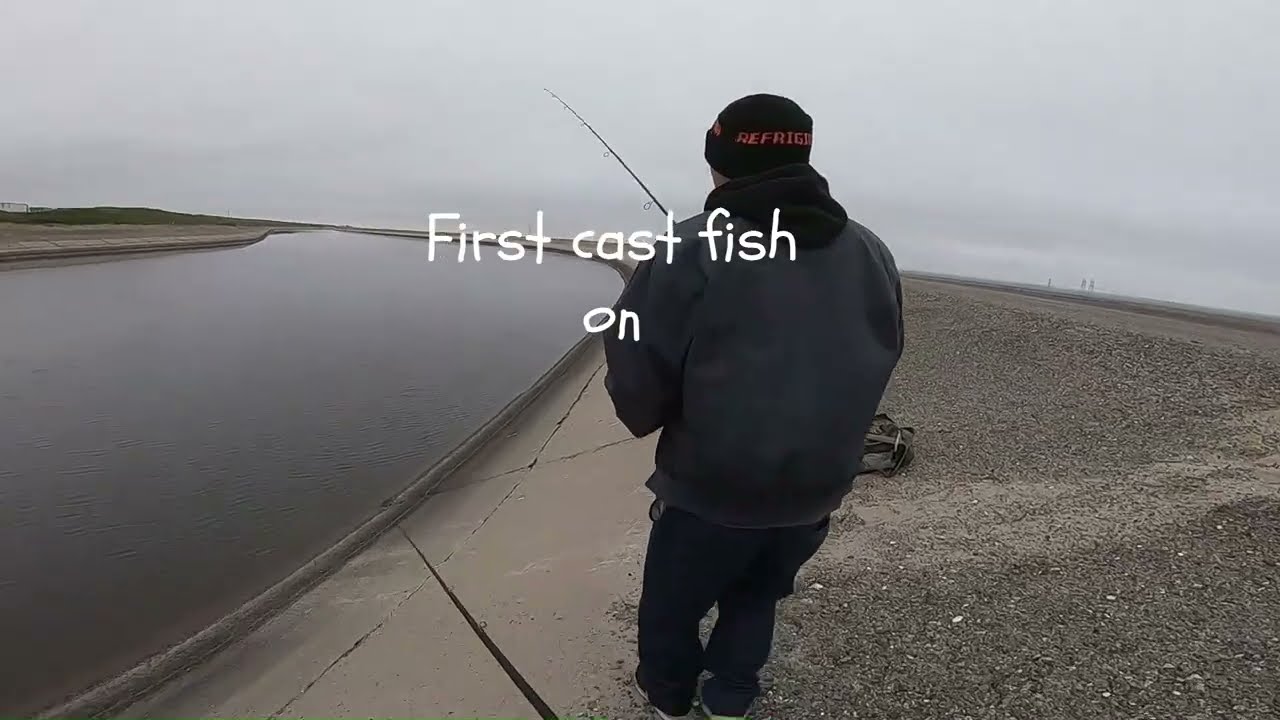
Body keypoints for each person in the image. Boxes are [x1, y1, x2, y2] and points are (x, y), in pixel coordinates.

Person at [601, 93, 905, 719]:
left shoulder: (690, 247)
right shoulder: (872, 251)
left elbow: (638, 365)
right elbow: (883, 348)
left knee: (671, 608)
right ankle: (731, 695)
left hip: (710, 489)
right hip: (815, 488)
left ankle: (669, 697)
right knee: (757, 594)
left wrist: (647, 413)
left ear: (721, 161)